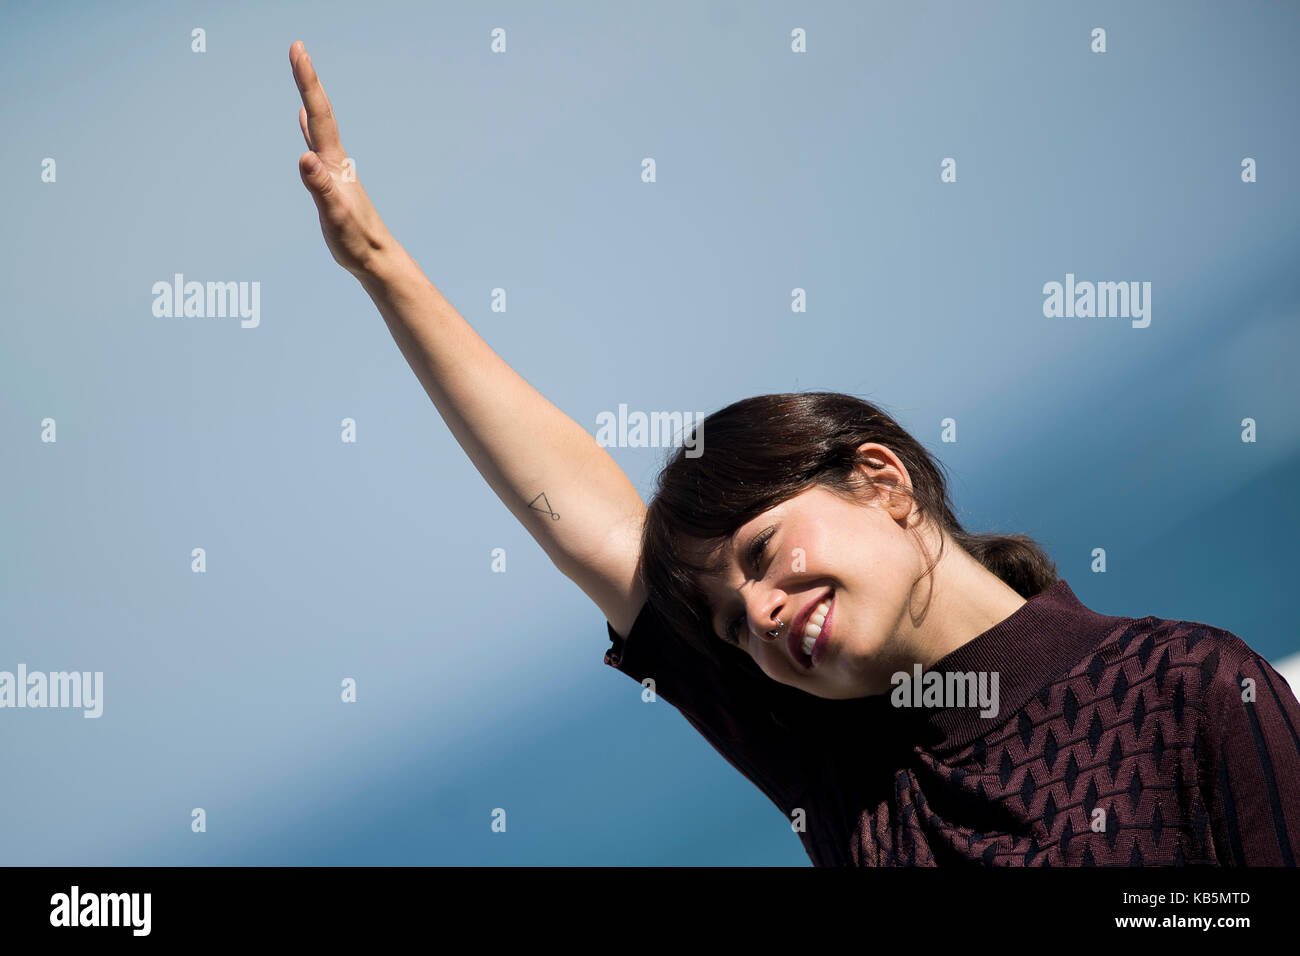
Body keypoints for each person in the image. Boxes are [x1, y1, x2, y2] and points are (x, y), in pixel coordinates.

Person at [287, 41, 1300, 866]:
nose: (760, 614)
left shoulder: (1187, 687)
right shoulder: (832, 760)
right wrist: (379, 265)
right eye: (730, 621)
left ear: (882, 480)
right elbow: (581, 517)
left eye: (764, 551)